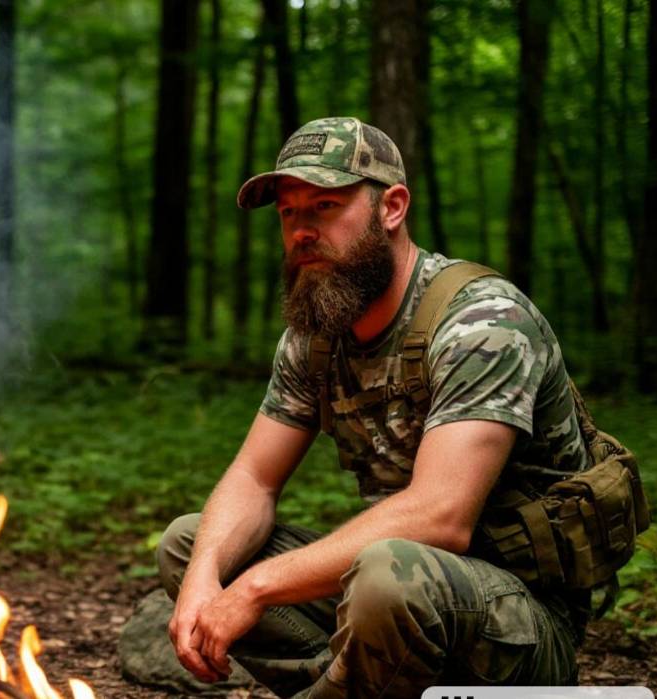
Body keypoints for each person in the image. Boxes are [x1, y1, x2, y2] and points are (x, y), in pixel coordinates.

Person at [156, 116, 595, 698]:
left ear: (391, 208)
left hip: (517, 625)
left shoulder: (481, 322)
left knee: (389, 574)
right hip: (394, 596)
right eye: (289, 212)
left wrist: (256, 588)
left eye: (325, 206)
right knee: (192, 545)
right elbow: (254, 479)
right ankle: (353, 682)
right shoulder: (317, 331)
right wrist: (204, 581)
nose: (302, 231)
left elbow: (441, 516)